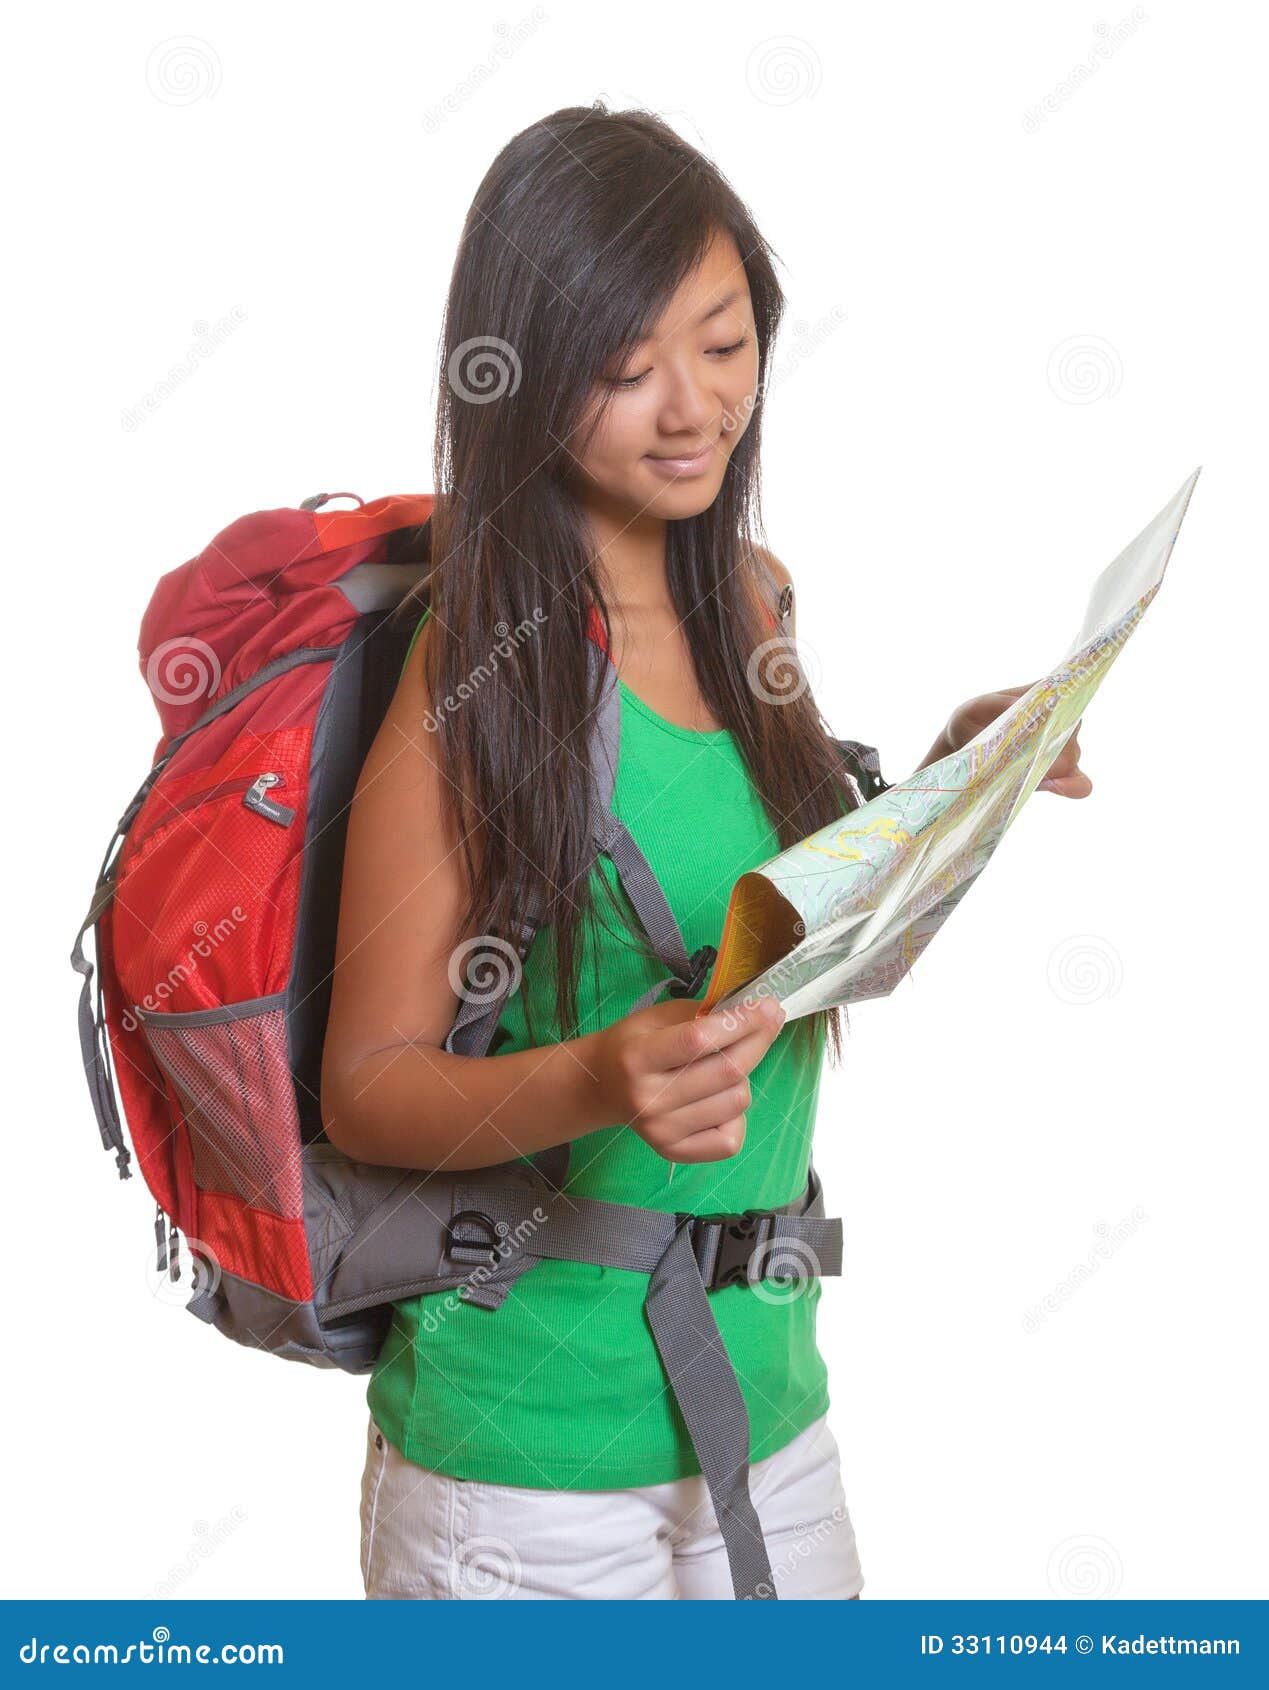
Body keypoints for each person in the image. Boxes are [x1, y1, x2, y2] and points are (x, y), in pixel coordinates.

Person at [320, 102, 1089, 1602]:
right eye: (624, 368)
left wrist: (950, 788)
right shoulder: (477, 664)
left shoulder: (755, 596)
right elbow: (365, 1086)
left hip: (769, 1414)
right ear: (525, 381)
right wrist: (597, 1075)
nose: (692, 408)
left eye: (724, 344)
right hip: (523, 1477)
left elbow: (786, 941)